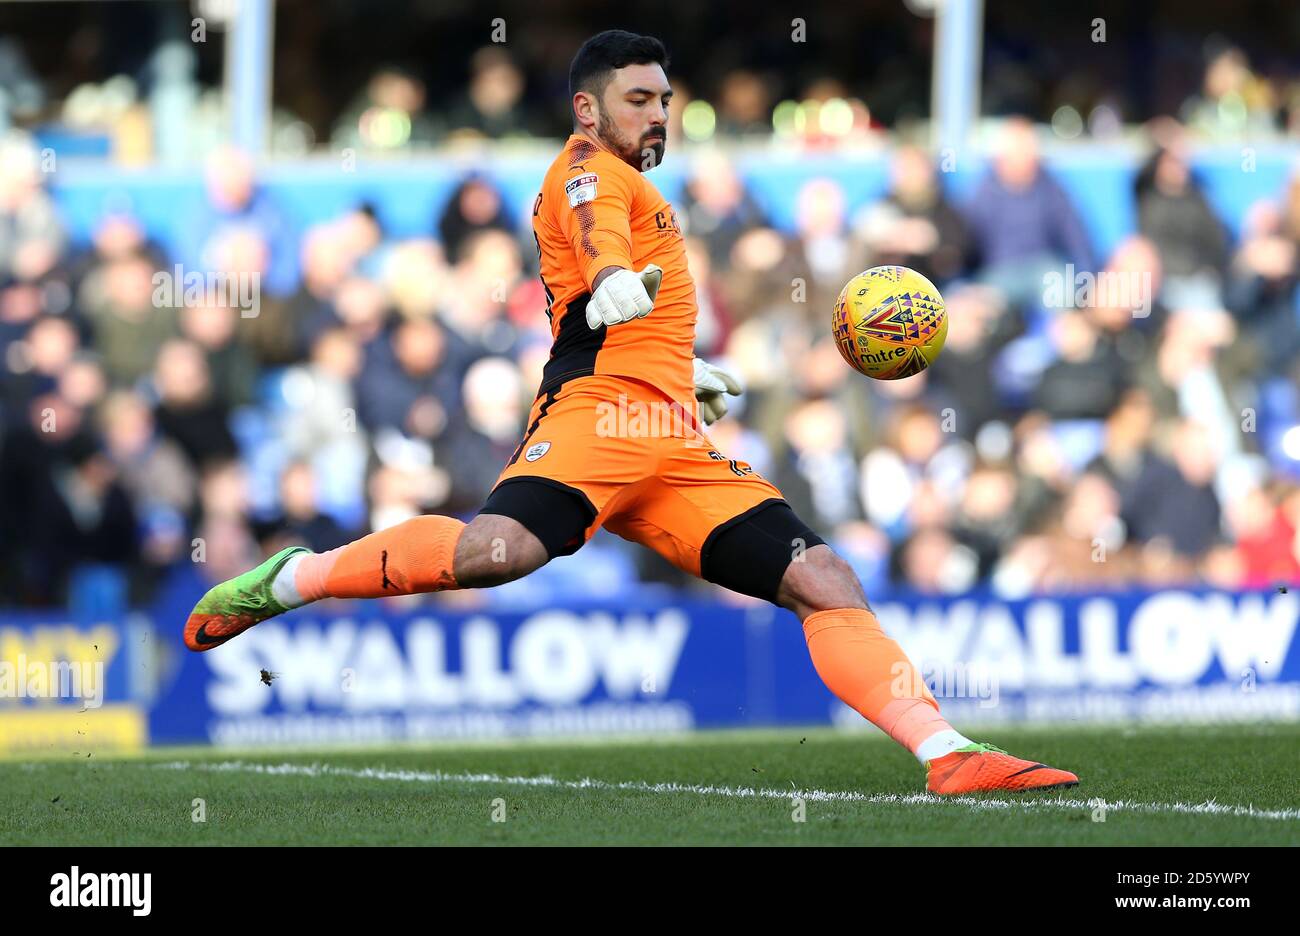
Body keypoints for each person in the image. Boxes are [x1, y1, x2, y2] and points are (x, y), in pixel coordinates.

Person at [183, 29, 1077, 797]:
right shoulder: (586, 171)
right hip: (598, 416)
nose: (659, 115)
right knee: (497, 554)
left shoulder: (636, 182)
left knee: (822, 576)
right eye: (639, 98)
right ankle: (292, 578)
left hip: (669, 433)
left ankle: (947, 753)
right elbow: (595, 238)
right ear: (586, 109)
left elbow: (631, 298)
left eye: (666, 99)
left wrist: (688, 374)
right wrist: (611, 280)